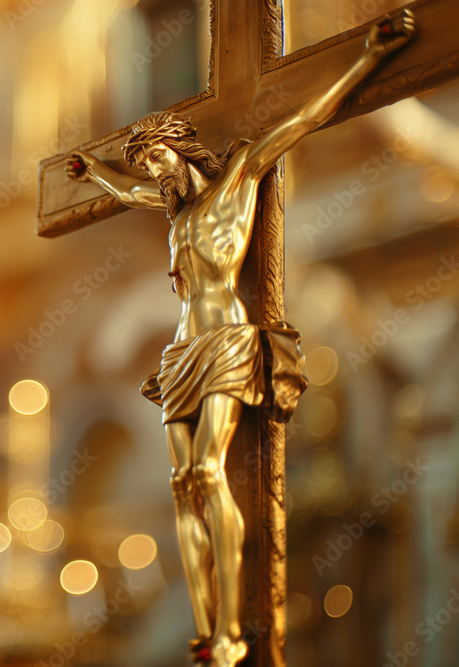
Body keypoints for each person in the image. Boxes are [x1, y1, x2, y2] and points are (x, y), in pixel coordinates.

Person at [65, 10, 414, 665]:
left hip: (225, 339)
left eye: (159, 158)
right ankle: (206, 626)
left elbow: (303, 118)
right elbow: (122, 187)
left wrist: (366, 58)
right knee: (182, 488)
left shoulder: (236, 182)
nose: (156, 173)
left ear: (180, 148)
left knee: (207, 470)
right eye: (148, 166)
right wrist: (88, 171)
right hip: (181, 352)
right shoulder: (173, 210)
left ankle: (231, 625)